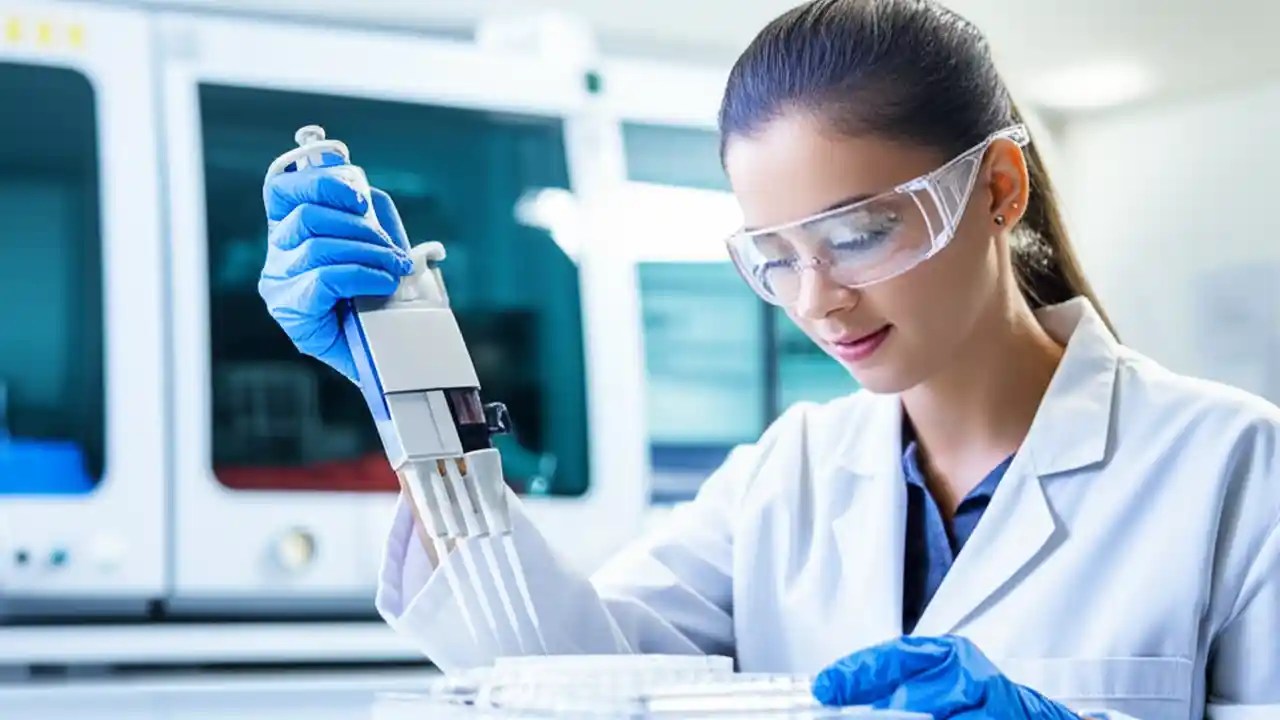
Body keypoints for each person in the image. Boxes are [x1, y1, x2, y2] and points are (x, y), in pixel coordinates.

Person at [258, 0, 1280, 717]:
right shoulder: (784, 479)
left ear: (997, 189)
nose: (815, 300)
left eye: (857, 234)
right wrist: (412, 390)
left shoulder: (1233, 467)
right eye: (775, 257)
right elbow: (565, 676)